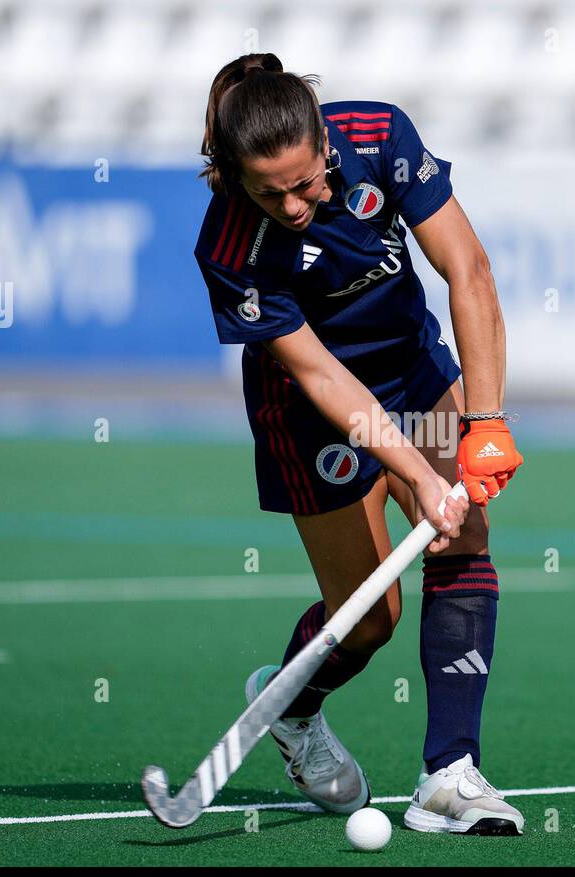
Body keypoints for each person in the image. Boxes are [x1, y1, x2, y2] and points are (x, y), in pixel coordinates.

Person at [194, 52, 525, 835]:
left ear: (324, 144)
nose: (297, 205)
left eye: (307, 183)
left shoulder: (379, 133)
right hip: (310, 410)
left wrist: (484, 424)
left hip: (411, 368)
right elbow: (323, 380)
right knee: (369, 615)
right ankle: (293, 708)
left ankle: (449, 774)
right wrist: (415, 472)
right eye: (269, 192)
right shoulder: (230, 249)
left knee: (462, 537)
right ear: (236, 178)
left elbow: (467, 270)